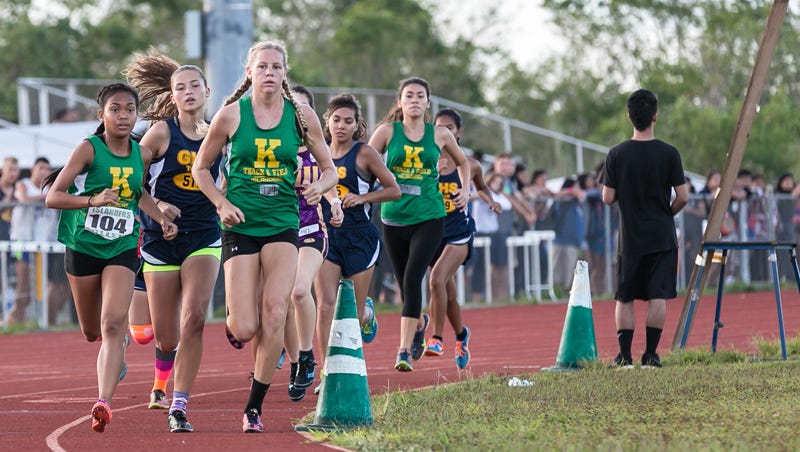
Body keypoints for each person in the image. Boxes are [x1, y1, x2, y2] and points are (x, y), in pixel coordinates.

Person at [191, 41, 337, 433]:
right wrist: (221, 203)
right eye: (262, 67)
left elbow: (330, 169)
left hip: (283, 224)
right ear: (250, 73)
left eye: (276, 67)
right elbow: (201, 169)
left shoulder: (302, 116)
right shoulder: (229, 116)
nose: (269, 72)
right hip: (240, 224)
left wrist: (319, 188)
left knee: (276, 311)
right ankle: (235, 321)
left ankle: (253, 407)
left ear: (284, 73)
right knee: (245, 327)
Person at [44, 83, 178, 432]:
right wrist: (93, 200)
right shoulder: (88, 150)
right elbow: (53, 197)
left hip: (121, 246)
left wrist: (161, 218)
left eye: (129, 109)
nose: (123, 115)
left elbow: (140, 194)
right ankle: (113, 353)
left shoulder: (141, 152)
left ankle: (103, 401)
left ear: (136, 114)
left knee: (113, 324)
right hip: (83, 246)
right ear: (100, 114)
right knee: (92, 332)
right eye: (115, 109)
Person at [123, 49, 222, 432]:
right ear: (173, 95)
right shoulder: (163, 131)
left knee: (194, 318)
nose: (189, 91)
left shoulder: (220, 132)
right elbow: (133, 176)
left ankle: (178, 404)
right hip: (159, 239)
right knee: (160, 337)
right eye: (181, 87)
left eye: (195, 85)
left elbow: (227, 177)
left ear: (207, 90)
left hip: (204, 236)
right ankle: (157, 366)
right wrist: (159, 207)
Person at [367, 77, 470, 371]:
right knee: (405, 286)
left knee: (414, 278)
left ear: (427, 103)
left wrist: (464, 190)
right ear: (399, 102)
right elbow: (366, 162)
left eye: (420, 96)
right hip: (394, 217)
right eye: (408, 95)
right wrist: (361, 193)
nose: (414, 99)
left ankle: (402, 350)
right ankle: (420, 321)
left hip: (430, 216)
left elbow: (463, 163)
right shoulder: (387, 131)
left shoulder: (439, 135)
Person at [314, 92, 401, 378]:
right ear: (327, 122)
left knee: (351, 312)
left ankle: (368, 314)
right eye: (336, 120)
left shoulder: (364, 153)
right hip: (327, 236)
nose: (341, 125)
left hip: (359, 237)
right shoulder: (318, 152)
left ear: (356, 125)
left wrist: (362, 199)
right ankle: (329, 371)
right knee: (326, 305)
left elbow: (394, 189)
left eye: (347, 121)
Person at [599, 88, 687, 368]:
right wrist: (666, 213)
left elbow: (607, 197)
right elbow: (683, 196)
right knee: (657, 295)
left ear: (629, 117)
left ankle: (624, 356)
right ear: (655, 117)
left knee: (624, 297)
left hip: (630, 237)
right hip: (662, 235)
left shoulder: (616, 154)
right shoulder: (669, 153)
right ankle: (651, 355)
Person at [277, 85, 343, 402]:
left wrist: (334, 201)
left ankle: (306, 357)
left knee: (300, 290)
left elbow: (330, 178)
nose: (298, 115)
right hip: (276, 228)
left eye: (304, 109)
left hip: (310, 228)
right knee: (280, 304)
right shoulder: (273, 147)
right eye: (293, 108)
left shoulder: (317, 148)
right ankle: (294, 362)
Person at [424, 108, 500, 369]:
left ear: (458, 132)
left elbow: (481, 186)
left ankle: (435, 337)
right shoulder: (426, 162)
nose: (444, 132)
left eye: (449, 127)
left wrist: (489, 200)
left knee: (435, 280)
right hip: (433, 233)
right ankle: (461, 335)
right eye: (438, 127)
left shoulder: (471, 165)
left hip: (459, 233)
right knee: (448, 292)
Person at [9, 157, 70, 326]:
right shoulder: (23, 184)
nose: (44, 172)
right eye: (41, 168)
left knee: (61, 284)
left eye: (47, 169)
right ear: (33, 169)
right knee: (24, 287)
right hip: (24, 241)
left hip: (47, 244)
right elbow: (23, 199)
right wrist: (48, 197)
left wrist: (53, 195)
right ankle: (14, 322)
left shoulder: (52, 188)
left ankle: (49, 320)